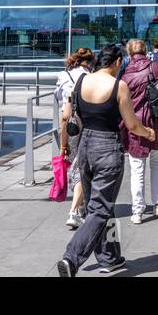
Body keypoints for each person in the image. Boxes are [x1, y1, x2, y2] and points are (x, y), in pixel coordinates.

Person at [56, 44, 156, 277]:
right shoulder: (118, 86)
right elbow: (131, 125)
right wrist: (148, 133)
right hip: (107, 148)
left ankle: (109, 258)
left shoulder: (81, 81)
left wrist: (64, 145)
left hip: (85, 147)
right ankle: (71, 258)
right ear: (118, 62)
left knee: (100, 205)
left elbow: (66, 114)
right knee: (100, 209)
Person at [120, 39, 158, 224]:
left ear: (129, 53)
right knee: (157, 162)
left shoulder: (125, 75)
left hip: (135, 125)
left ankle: (137, 211)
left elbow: (120, 102)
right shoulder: (157, 68)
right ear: (145, 51)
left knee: (137, 168)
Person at [56, 47, 94, 229]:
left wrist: (62, 144)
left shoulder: (64, 76)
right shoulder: (90, 77)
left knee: (74, 165)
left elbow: (64, 113)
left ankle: (79, 206)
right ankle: (75, 210)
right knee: (81, 168)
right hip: (86, 124)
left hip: (69, 126)